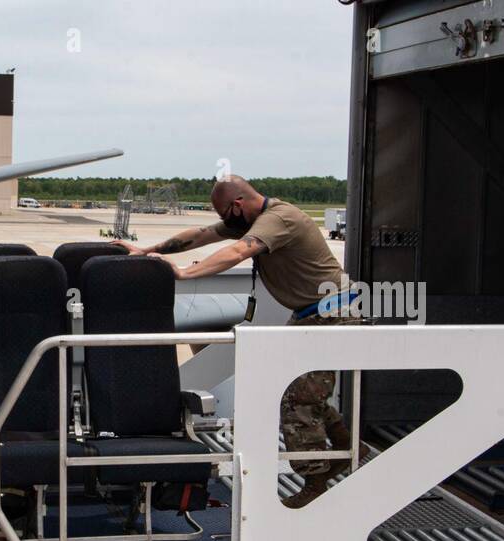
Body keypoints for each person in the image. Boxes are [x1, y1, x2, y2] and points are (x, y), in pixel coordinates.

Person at [113, 175, 361, 508]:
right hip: (310, 314)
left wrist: (186, 272)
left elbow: (239, 251)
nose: (225, 222)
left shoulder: (278, 219)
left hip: (334, 313)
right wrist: (148, 250)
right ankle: (347, 447)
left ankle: (316, 479)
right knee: (298, 390)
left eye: (226, 214)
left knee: (297, 399)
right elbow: (201, 235)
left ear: (239, 204)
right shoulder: (249, 217)